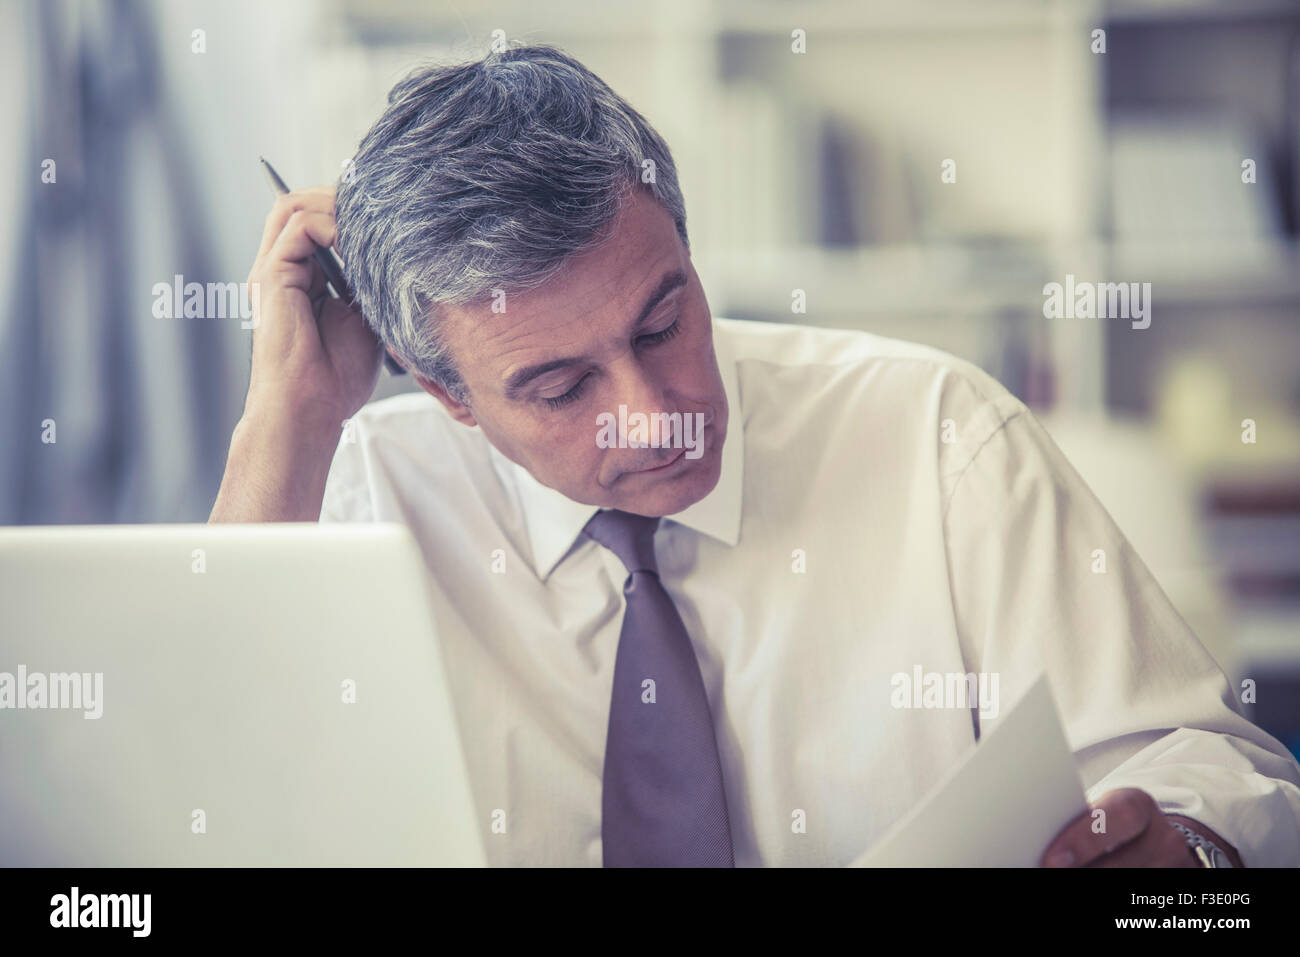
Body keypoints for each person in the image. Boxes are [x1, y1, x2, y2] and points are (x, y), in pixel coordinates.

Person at [210, 43, 1300, 867]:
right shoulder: (365, 493)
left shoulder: (937, 437)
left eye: (660, 322)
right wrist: (288, 426)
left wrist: (1185, 859)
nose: (654, 412)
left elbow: (1223, 777)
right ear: (446, 393)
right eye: (559, 387)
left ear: (684, 248)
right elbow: (208, 822)